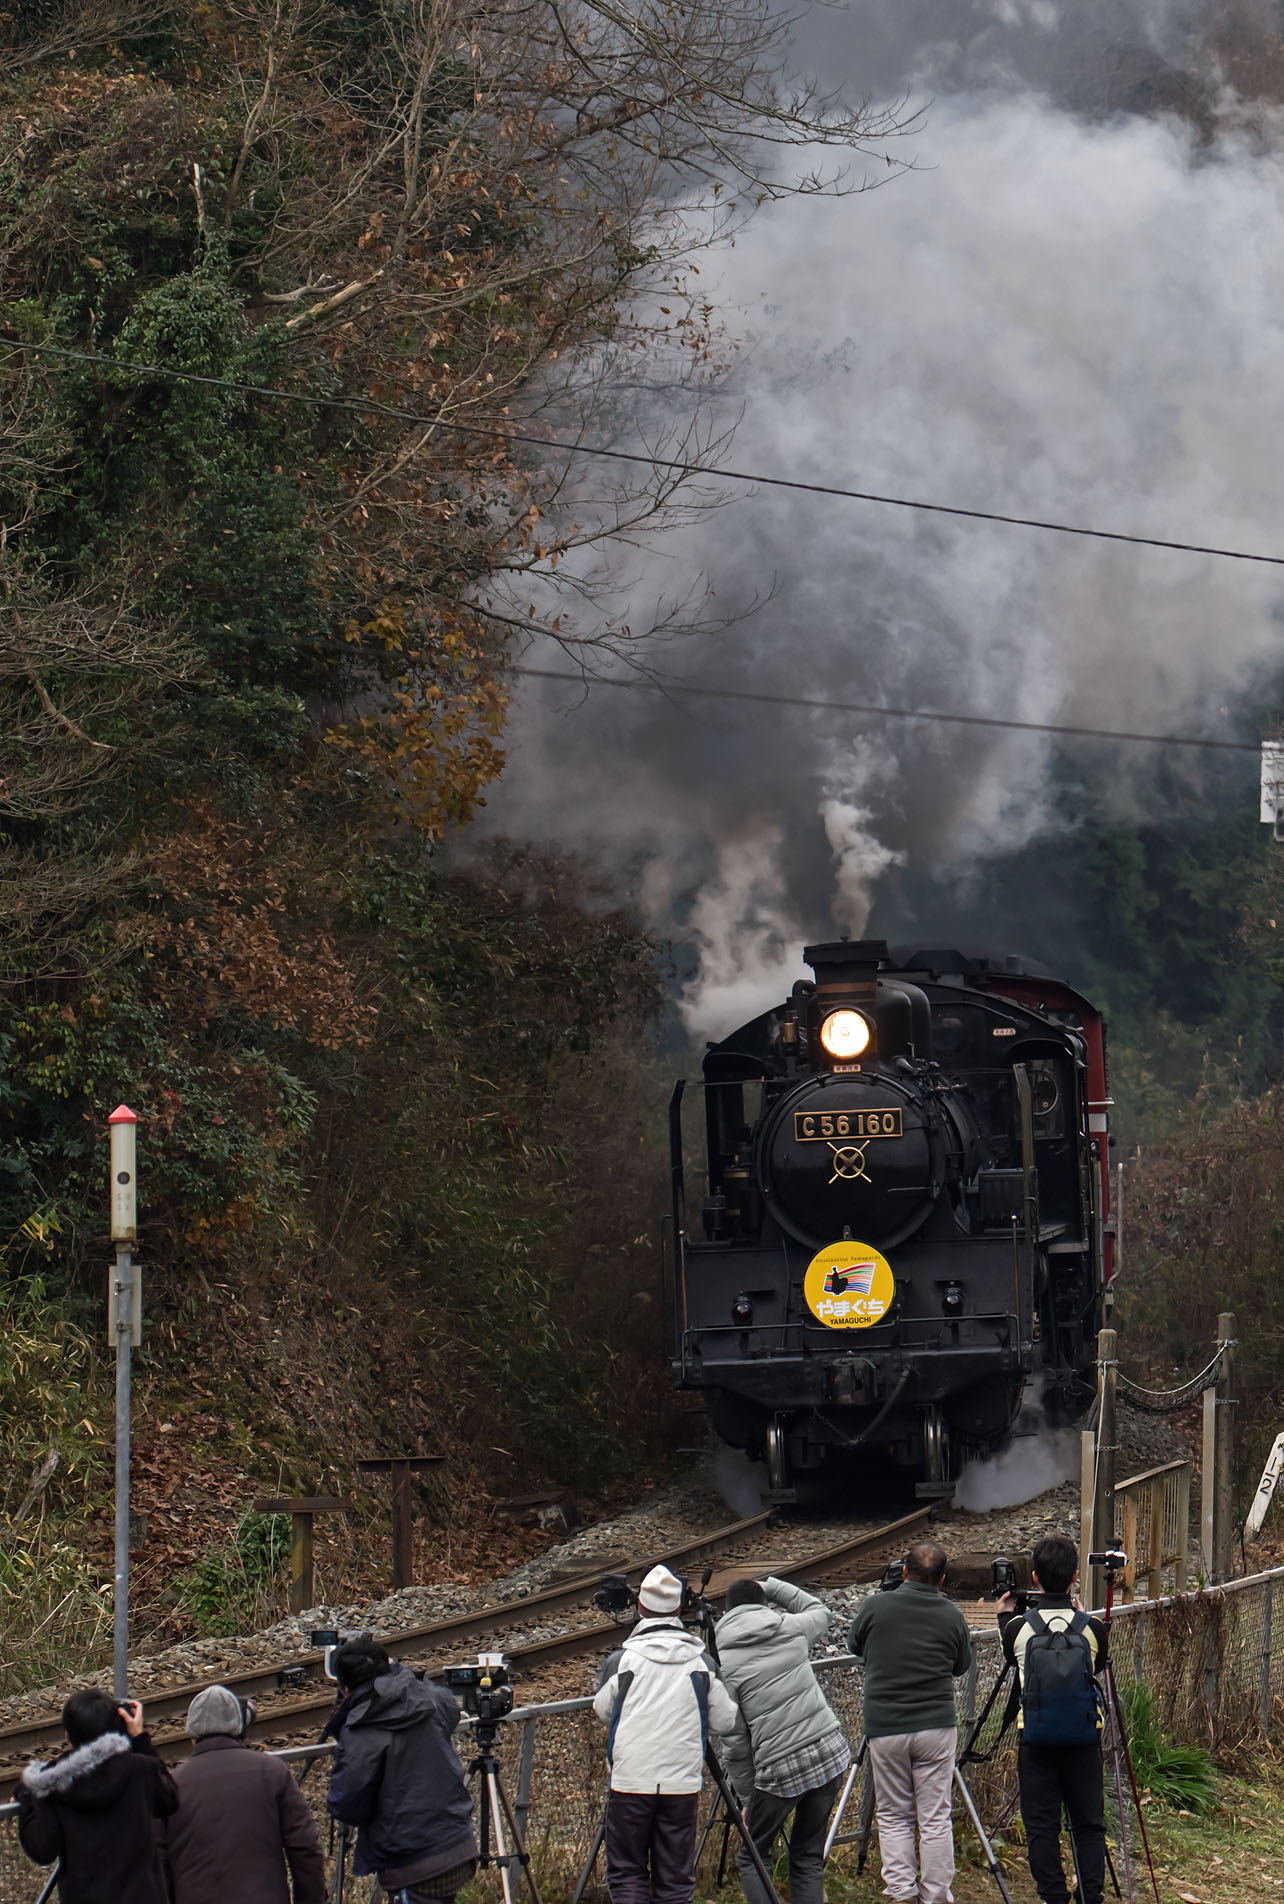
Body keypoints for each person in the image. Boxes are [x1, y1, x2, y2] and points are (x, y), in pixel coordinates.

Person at [592, 1563, 740, 1904]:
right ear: (680, 1608)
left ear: (639, 1607)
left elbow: (602, 1710)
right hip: (680, 1784)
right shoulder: (700, 1662)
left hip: (631, 1780)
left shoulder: (623, 1660)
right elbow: (726, 1720)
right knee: (674, 1879)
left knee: (627, 1871)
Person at [713, 1575, 851, 1904]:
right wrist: (773, 1585)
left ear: (728, 1612)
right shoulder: (789, 1627)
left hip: (779, 1768)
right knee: (806, 1856)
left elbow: (735, 1743)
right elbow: (820, 1610)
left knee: (754, 1856)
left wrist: (748, 1801)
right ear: (762, 1604)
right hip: (827, 1752)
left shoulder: (724, 1662)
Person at [847, 1542, 972, 1904]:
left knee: (893, 1813)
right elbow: (961, 1666)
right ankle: (935, 1895)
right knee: (934, 1816)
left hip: (885, 1726)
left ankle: (902, 1892)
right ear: (942, 1579)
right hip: (935, 1725)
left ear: (904, 1571)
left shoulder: (875, 1606)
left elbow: (854, 1643)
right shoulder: (950, 1614)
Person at [997, 1534, 1109, 1904]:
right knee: (1088, 1823)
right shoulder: (1092, 1628)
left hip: (1037, 1739)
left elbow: (1014, 1662)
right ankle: (1090, 1895)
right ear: (1075, 1575)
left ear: (1034, 1578)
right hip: (1082, 1737)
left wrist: (1003, 1615)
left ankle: (1053, 1896)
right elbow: (1097, 1665)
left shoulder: (1017, 1628)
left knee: (1041, 1827)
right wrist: (1080, 1614)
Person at [326, 1635, 478, 1904]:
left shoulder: (363, 1726)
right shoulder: (425, 1696)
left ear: (346, 1689)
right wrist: (396, 1674)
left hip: (415, 1862)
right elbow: (449, 1708)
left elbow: (347, 1804)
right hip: (458, 1845)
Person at [165, 1683, 326, 1904]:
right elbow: (304, 1848)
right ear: (239, 1728)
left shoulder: (172, 1785)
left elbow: (156, 1863)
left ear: (192, 1735)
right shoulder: (271, 1772)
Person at [17, 1689, 179, 1904]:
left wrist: (27, 1797)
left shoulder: (54, 1784)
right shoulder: (139, 1768)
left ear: (68, 1735)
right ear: (117, 1726)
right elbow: (169, 1801)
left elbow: (42, 1850)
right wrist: (140, 1739)